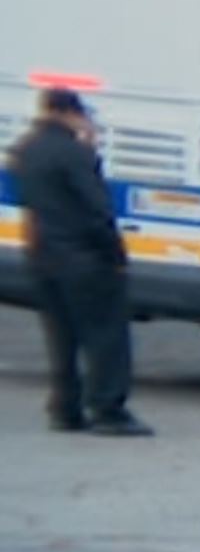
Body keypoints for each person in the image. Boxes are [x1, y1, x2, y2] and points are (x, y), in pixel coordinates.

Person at [12, 87, 147, 435]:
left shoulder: (26, 150)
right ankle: (107, 409)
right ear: (70, 113)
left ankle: (65, 408)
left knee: (61, 336)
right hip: (85, 259)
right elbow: (96, 209)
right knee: (105, 336)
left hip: (43, 257)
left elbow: (27, 203)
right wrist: (115, 254)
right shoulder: (75, 154)